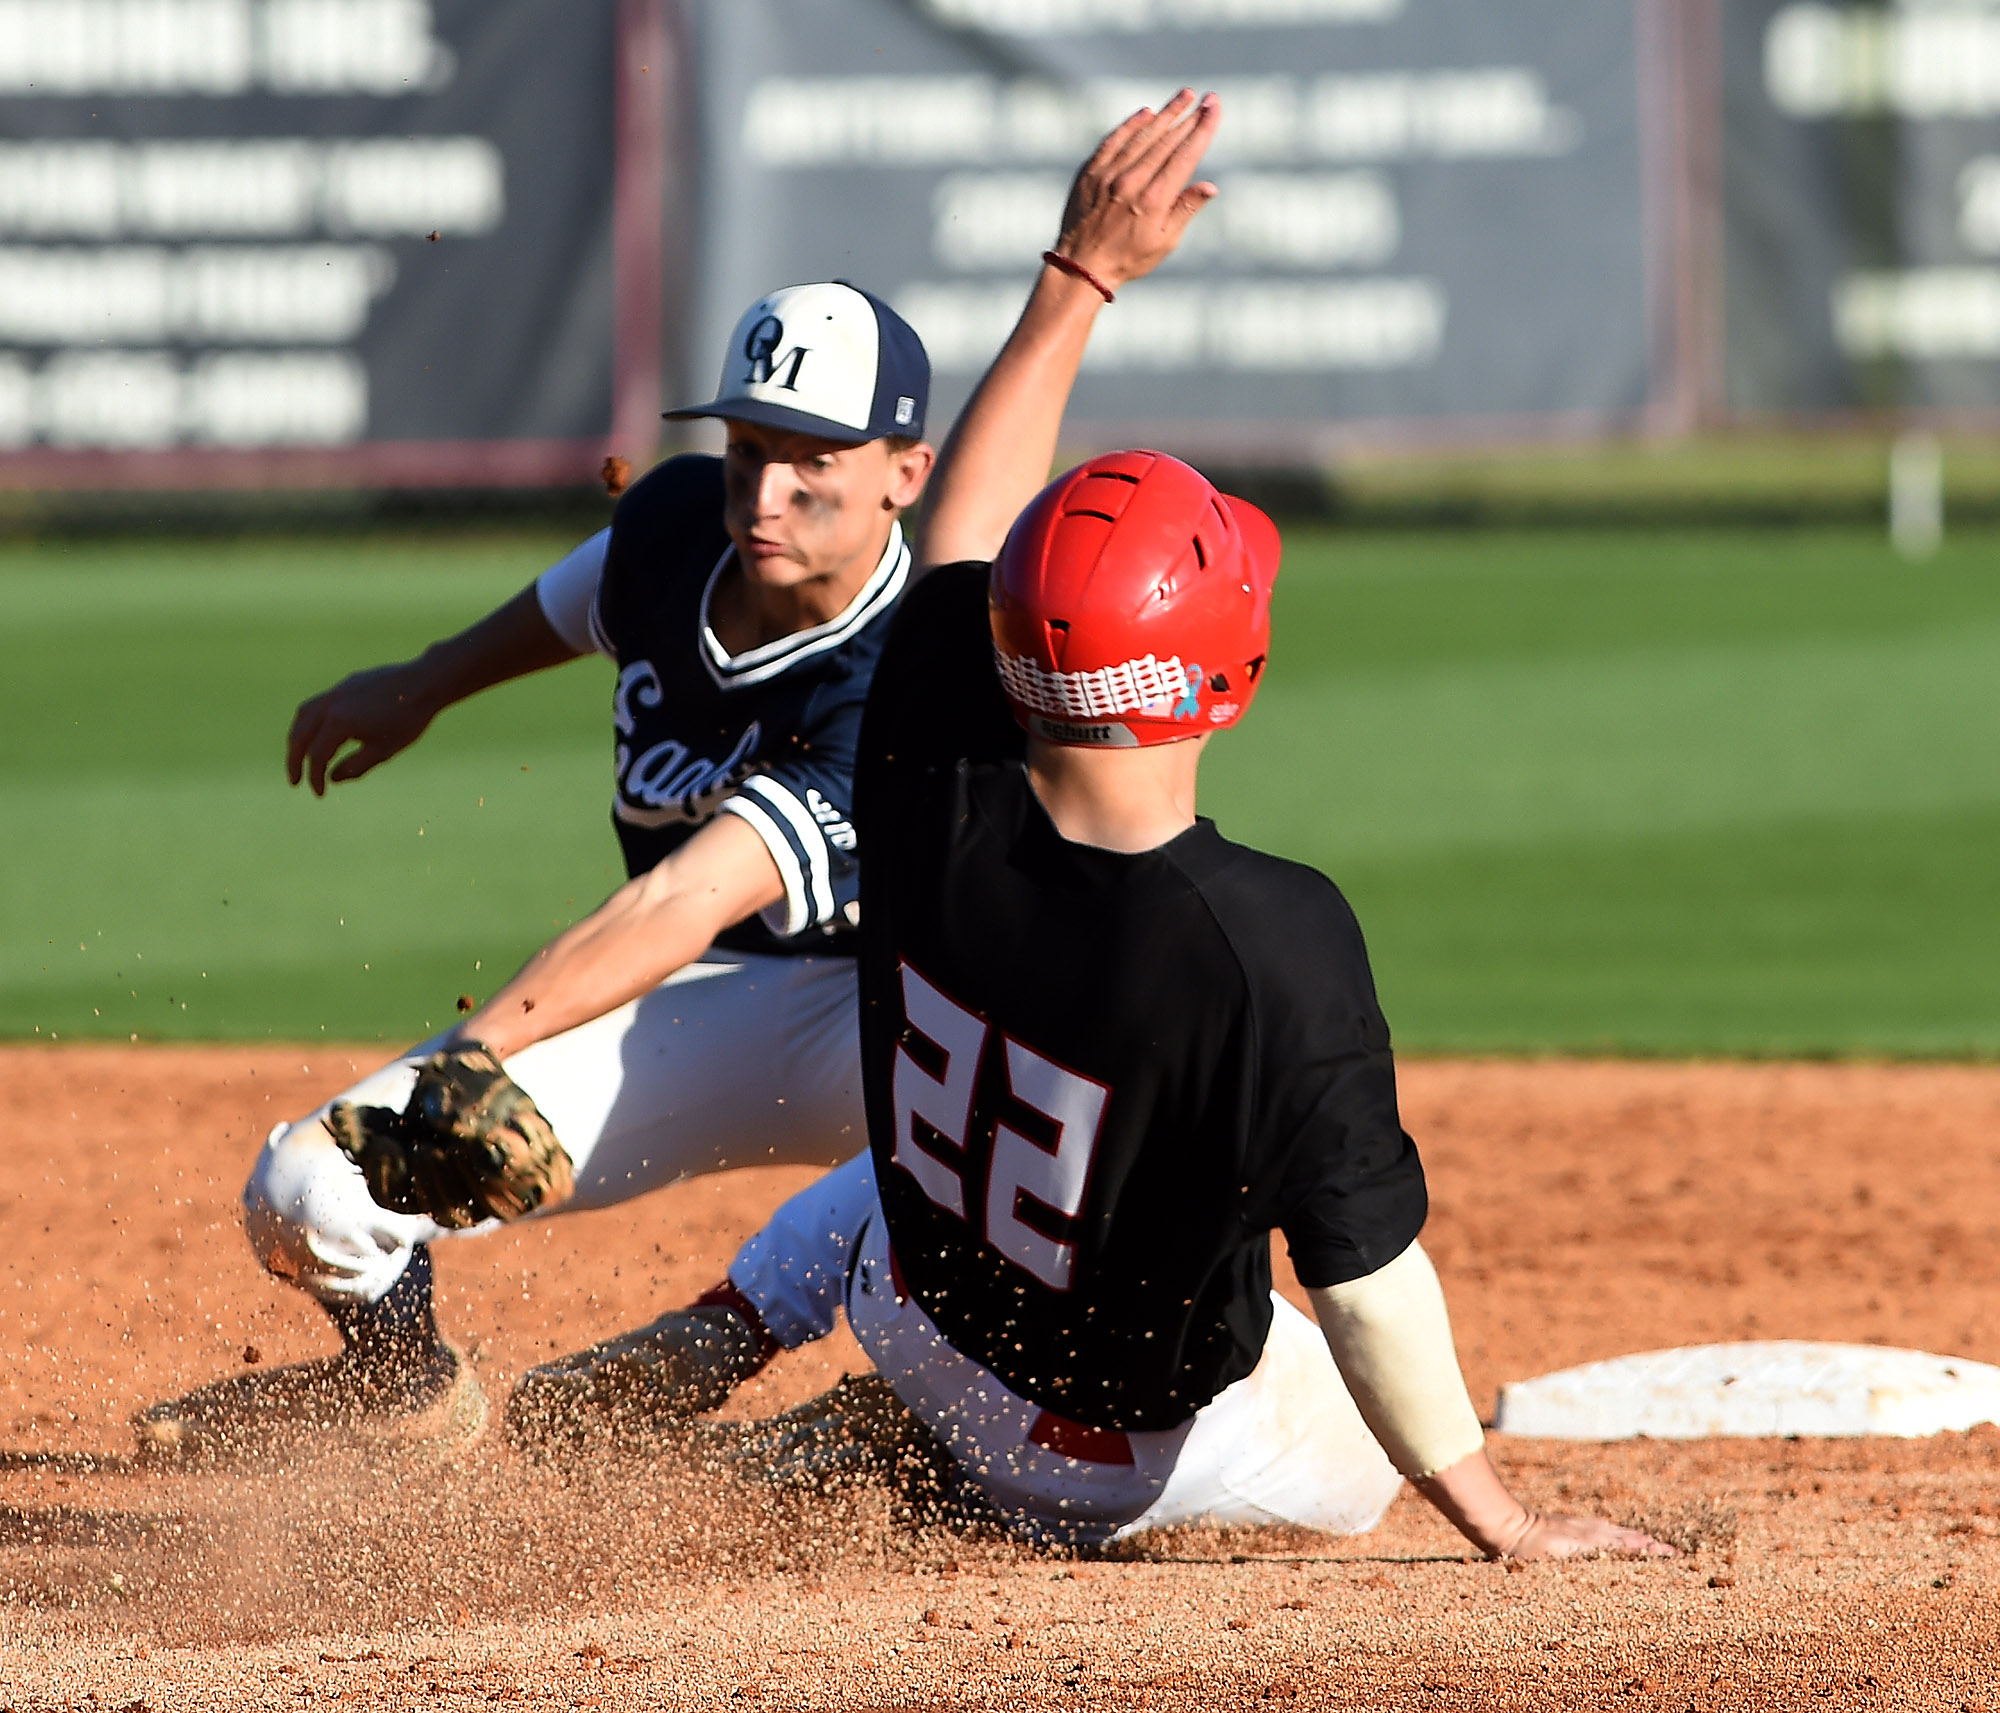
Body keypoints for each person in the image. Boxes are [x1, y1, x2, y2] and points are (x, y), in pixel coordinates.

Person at [654, 92, 1677, 1558]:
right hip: (1097, 1460)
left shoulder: (923, 745)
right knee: (1352, 1443)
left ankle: (757, 1354)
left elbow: (963, 536)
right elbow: (1365, 1280)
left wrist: (1081, 273)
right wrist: (1504, 1525)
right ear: (1224, 677)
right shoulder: (1272, 938)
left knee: (909, 1170)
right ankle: (941, 1469)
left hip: (915, 1307)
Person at [135, 281, 937, 1459]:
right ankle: (401, 1388)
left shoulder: (904, 669)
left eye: (813, 459)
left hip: (883, 1037)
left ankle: (924, 1427)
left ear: (903, 474)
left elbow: (678, 896)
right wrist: (420, 684)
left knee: (1030, 1205)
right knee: (311, 1194)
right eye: (747, 448)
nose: (765, 493)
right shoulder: (679, 525)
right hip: (695, 1005)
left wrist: (482, 1049)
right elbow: (577, 603)